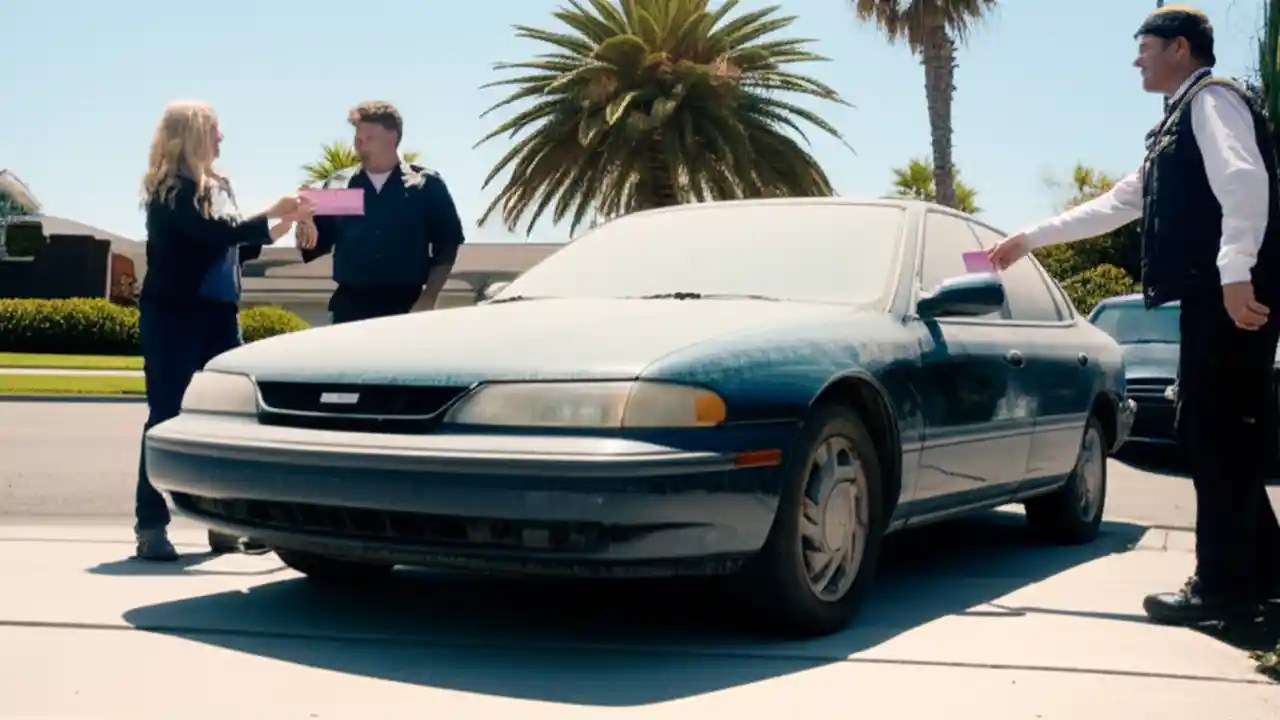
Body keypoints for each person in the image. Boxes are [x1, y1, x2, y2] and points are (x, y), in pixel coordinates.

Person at [989, 6, 1280, 624]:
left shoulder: (1211, 101)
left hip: (1231, 297)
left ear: (1180, 47)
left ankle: (1225, 592)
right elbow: (1117, 204)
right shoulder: (1179, 119)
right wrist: (1030, 238)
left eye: (1144, 47)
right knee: (1216, 432)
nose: (1136, 60)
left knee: (1218, 435)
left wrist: (1236, 274)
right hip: (1212, 297)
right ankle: (1261, 575)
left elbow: (1244, 181)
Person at [134, 100, 309, 561]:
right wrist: (272, 208)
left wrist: (284, 224)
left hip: (219, 315)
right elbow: (212, 232)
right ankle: (151, 526)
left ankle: (224, 525)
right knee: (166, 415)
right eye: (214, 130)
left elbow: (235, 247)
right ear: (192, 134)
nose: (221, 138)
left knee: (228, 420)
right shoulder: (169, 190)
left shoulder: (220, 185)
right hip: (174, 315)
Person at [295, 101, 466, 323]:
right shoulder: (340, 184)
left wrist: (428, 298)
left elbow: (447, 246)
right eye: (358, 139)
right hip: (349, 308)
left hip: (407, 306)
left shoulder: (424, 185)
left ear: (392, 137)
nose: (360, 146)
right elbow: (314, 246)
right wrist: (303, 223)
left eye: (369, 139)